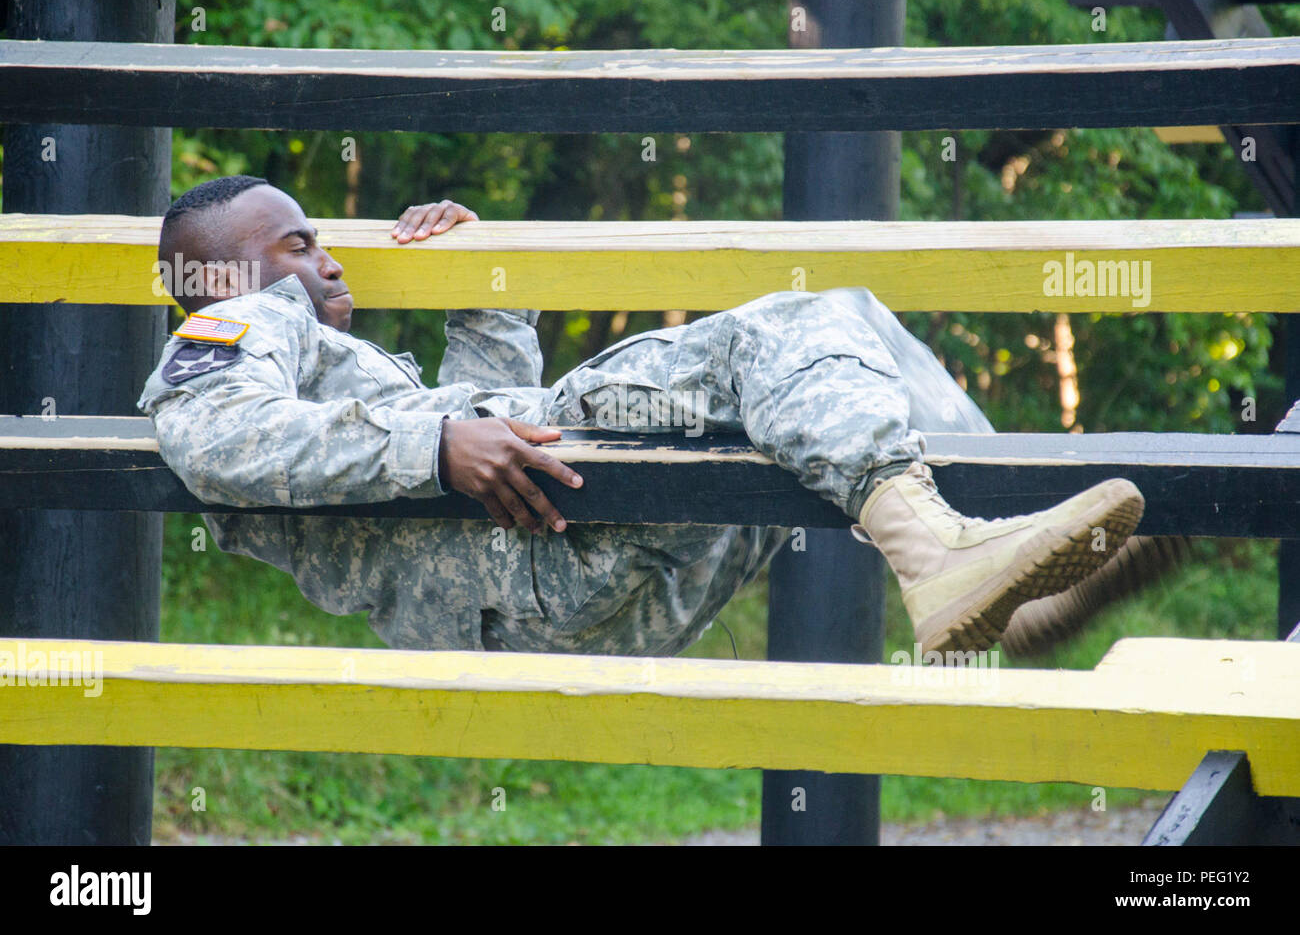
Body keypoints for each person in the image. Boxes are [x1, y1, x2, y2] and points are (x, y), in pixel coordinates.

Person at [137, 176, 1145, 658]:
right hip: (535, 565)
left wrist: (477, 283)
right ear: (219, 276)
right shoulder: (226, 331)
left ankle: (986, 563)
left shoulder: (306, 347)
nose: (329, 258)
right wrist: (436, 441)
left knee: (835, 350)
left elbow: (495, 404)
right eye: (296, 246)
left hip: (558, 576)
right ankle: (937, 551)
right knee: (793, 327)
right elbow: (212, 436)